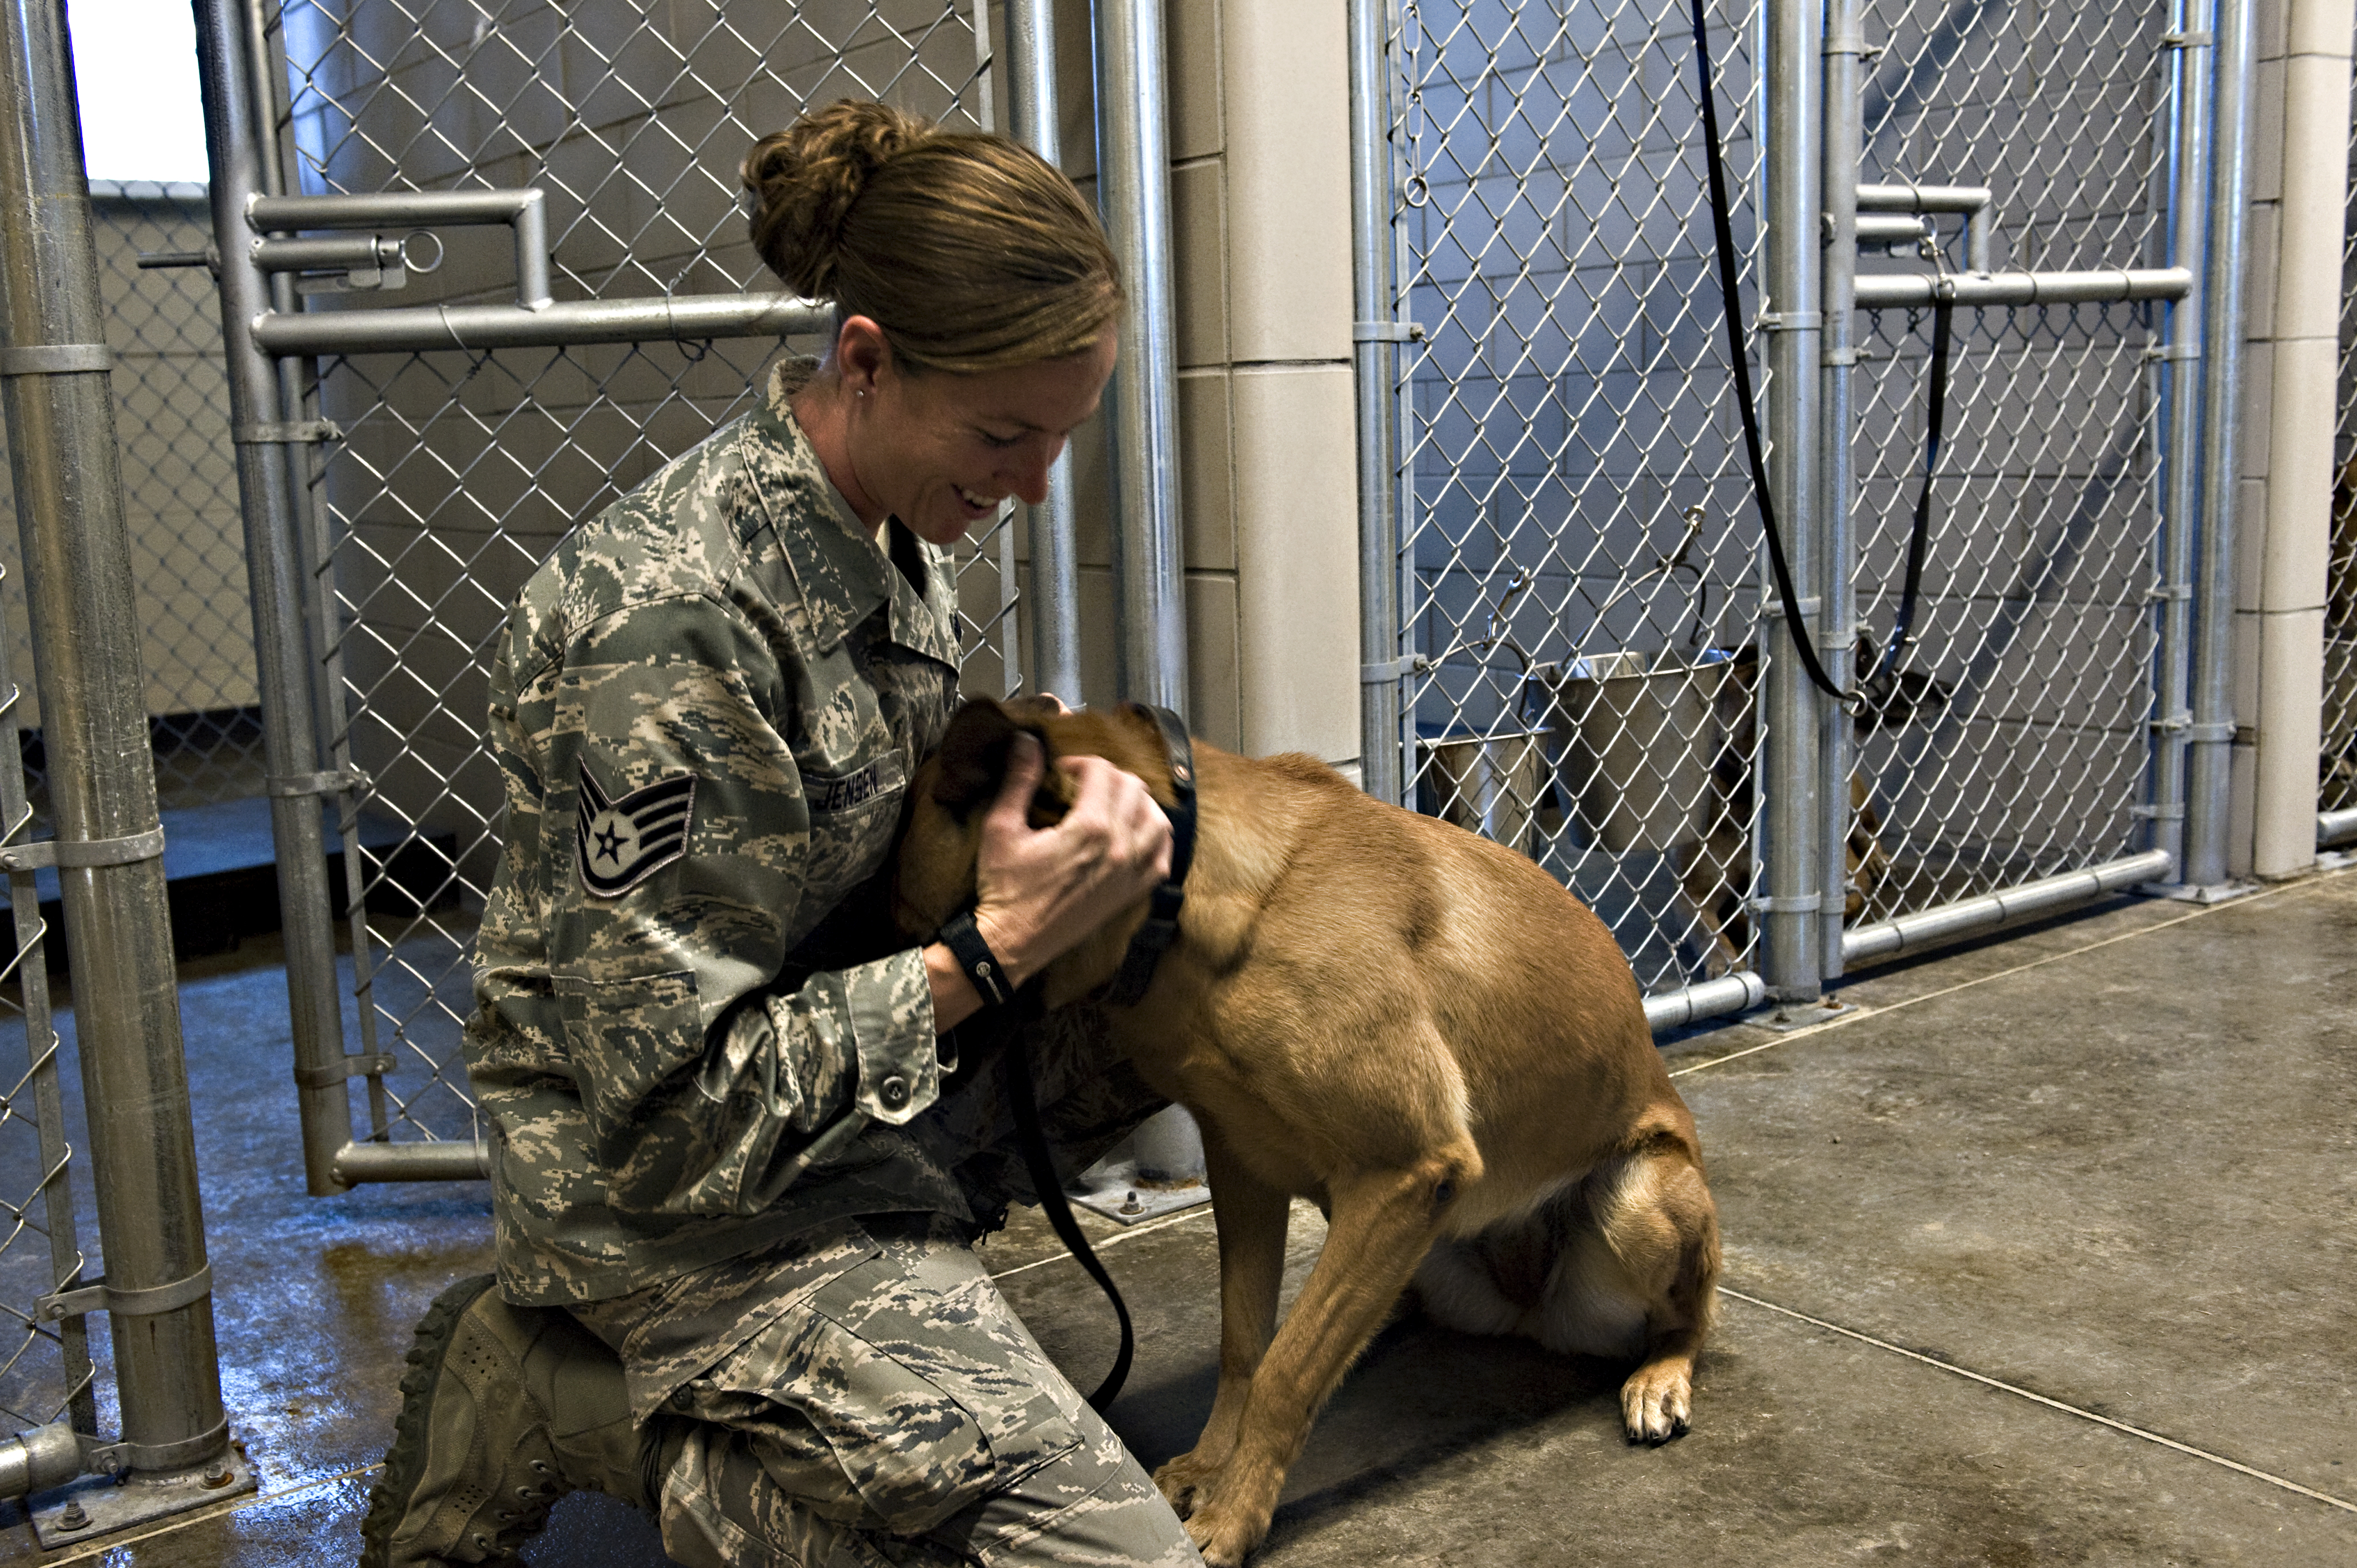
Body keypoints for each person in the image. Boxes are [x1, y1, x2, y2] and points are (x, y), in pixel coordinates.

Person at [358, 99, 1203, 1568]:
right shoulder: (680, 630)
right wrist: (997, 947)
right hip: (675, 1205)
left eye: (1062, 438)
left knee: (1193, 998)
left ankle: (866, 1326)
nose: (1034, 487)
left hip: (839, 1113)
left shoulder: (879, 525)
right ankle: (562, 1389)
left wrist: (1065, 853)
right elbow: (673, 1124)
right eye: (1006, 433)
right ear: (866, 359)